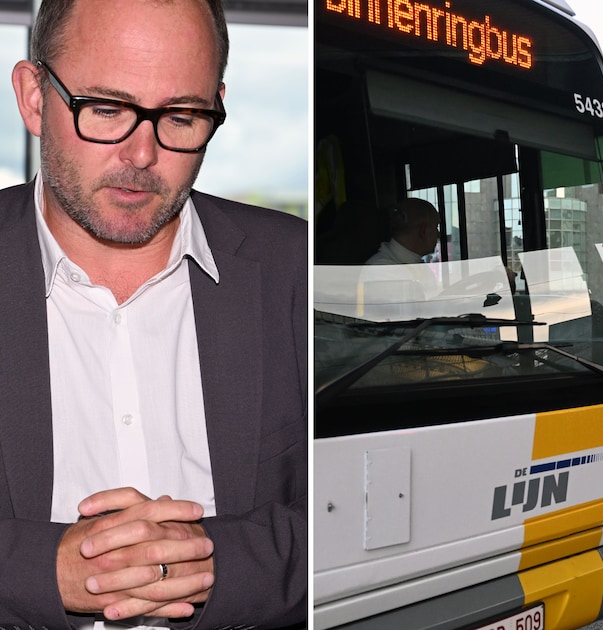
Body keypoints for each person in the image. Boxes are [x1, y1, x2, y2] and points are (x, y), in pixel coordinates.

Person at [2, 0, 306, 627]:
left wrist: (218, 566)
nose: (142, 153)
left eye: (182, 115)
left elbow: (361, 499)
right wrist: (41, 569)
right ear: (34, 98)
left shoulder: (295, 268)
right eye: (106, 109)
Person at [365, 198, 440, 265]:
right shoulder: (381, 269)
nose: (438, 234)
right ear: (423, 231)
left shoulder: (413, 263)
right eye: (436, 227)